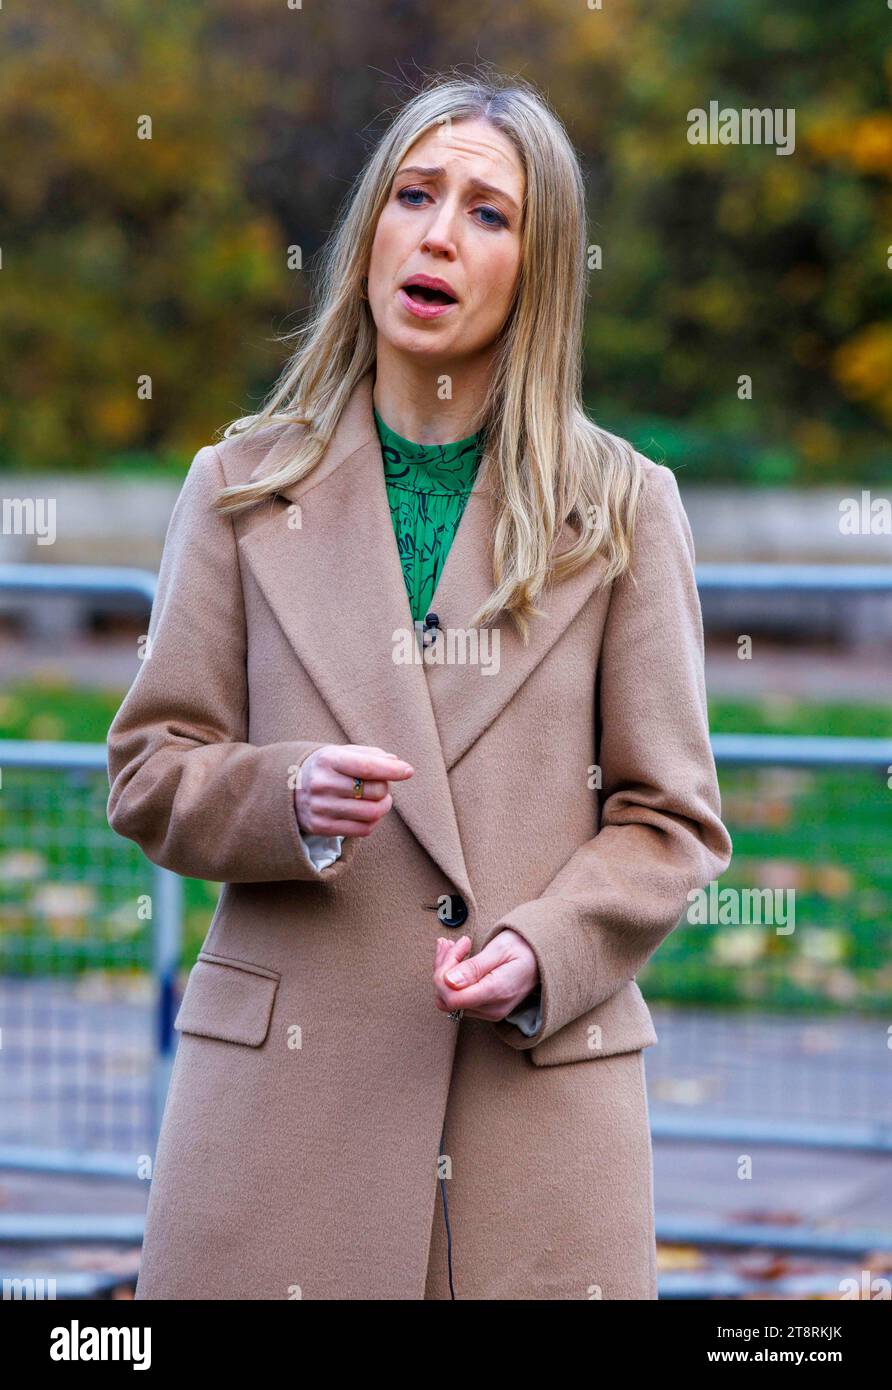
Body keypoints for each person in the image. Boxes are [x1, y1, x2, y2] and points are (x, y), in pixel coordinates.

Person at [106, 71, 733, 1300]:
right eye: (414, 195)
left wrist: (544, 949)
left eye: (489, 214)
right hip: (284, 1128)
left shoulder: (620, 508)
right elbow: (148, 769)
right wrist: (285, 796)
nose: (440, 234)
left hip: (526, 1125)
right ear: (369, 236)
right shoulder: (237, 487)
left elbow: (670, 820)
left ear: (537, 269)